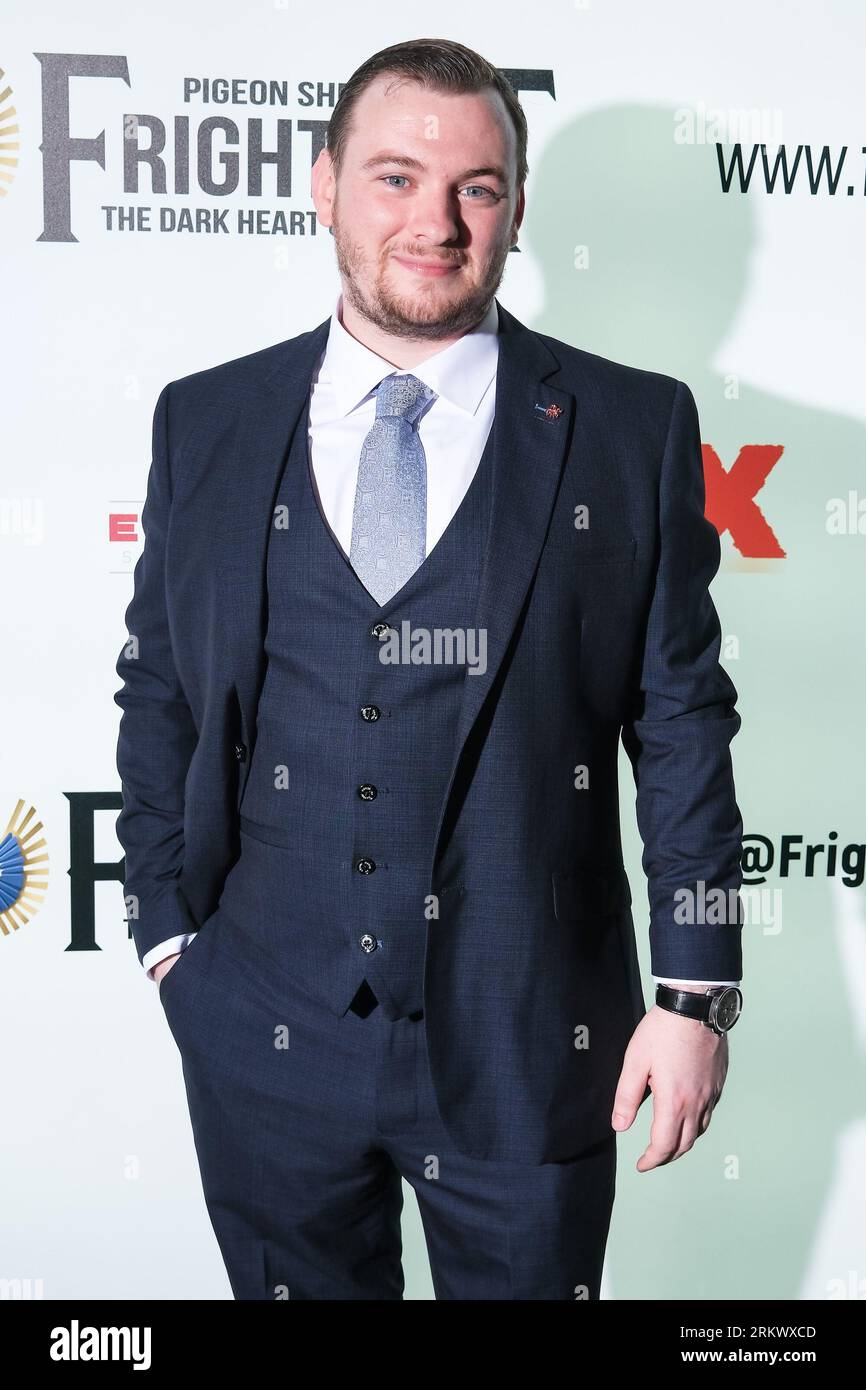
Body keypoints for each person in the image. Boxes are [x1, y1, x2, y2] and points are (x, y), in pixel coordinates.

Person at [114, 37, 744, 1301]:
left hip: (527, 1045)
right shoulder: (208, 418)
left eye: (477, 187)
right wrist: (170, 940)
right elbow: (163, 692)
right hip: (262, 1031)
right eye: (395, 178)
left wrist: (694, 992)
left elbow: (679, 720)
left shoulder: (630, 427)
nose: (436, 222)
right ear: (323, 185)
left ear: (515, 209)